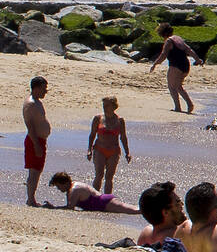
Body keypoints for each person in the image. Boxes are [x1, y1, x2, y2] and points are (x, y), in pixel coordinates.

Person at [88, 95, 130, 193]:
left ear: (114, 106)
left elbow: (123, 137)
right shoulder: (98, 118)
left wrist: (127, 152)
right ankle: (94, 198)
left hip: (114, 151)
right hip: (99, 149)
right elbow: (92, 135)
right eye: (103, 105)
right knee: (99, 175)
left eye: (107, 105)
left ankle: (107, 200)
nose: (104, 107)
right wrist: (89, 150)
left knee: (109, 177)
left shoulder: (120, 120)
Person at [45, 171, 139, 214]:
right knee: (133, 209)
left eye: (58, 186)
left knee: (134, 210)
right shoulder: (70, 189)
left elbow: (70, 208)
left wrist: (53, 208)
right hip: (103, 203)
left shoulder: (74, 189)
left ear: (64, 183)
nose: (58, 189)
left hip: (105, 203)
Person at [151, 32, 200, 114]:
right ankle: (188, 104)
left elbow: (164, 55)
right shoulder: (178, 39)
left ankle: (180, 107)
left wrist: (155, 64)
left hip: (176, 65)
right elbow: (189, 50)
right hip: (185, 65)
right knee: (178, 86)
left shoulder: (169, 41)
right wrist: (197, 59)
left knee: (172, 86)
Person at [22, 76, 52, 205]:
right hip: (35, 140)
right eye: (44, 88)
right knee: (34, 170)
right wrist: (36, 144)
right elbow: (30, 126)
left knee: (37, 170)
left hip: (40, 140)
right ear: (36, 88)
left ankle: (31, 198)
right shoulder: (31, 103)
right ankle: (30, 199)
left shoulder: (37, 102)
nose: (46, 91)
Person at [137, 181, 187, 250]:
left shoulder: (145, 233)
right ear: (166, 212)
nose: (182, 204)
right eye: (177, 202)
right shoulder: (177, 234)